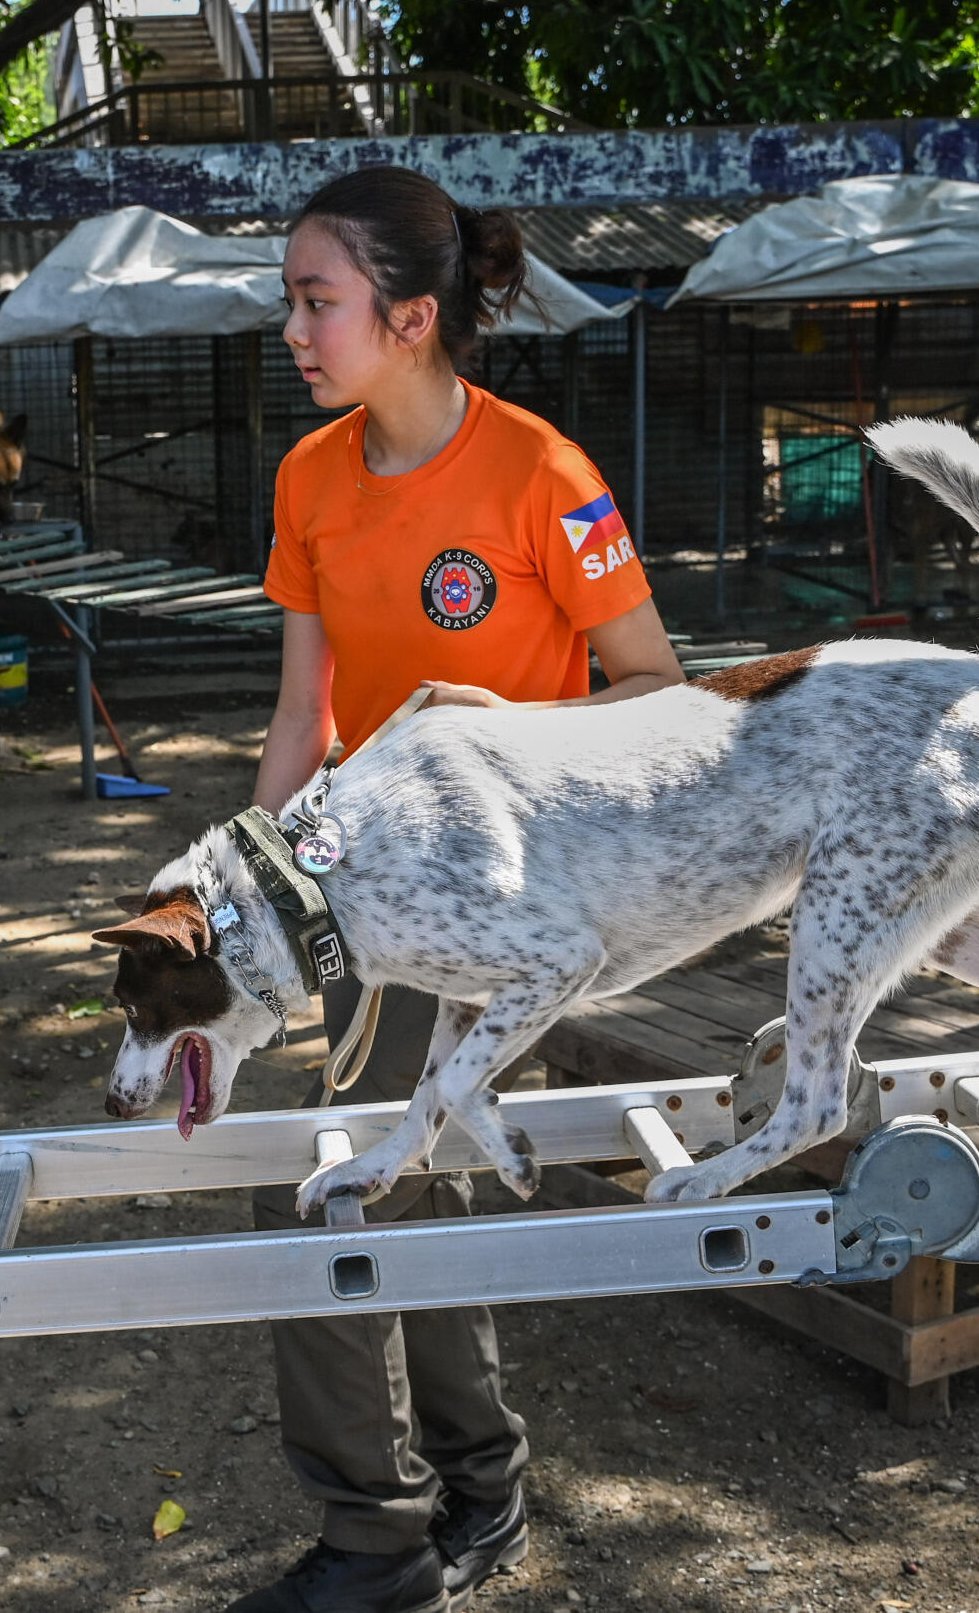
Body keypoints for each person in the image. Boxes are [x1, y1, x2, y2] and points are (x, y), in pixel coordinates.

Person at [231, 166, 687, 1613]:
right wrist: (243, 895)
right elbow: (302, 715)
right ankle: (477, 1486)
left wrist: (516, 754)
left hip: (510, 910)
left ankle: (380, 1541)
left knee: (332, 1185)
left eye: (317, 301)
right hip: (361, 896)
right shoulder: (309, 479)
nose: (292, 329)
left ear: (410, 318)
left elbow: (659, 690)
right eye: (291, 300)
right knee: (405, 1185)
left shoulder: (543, 475)